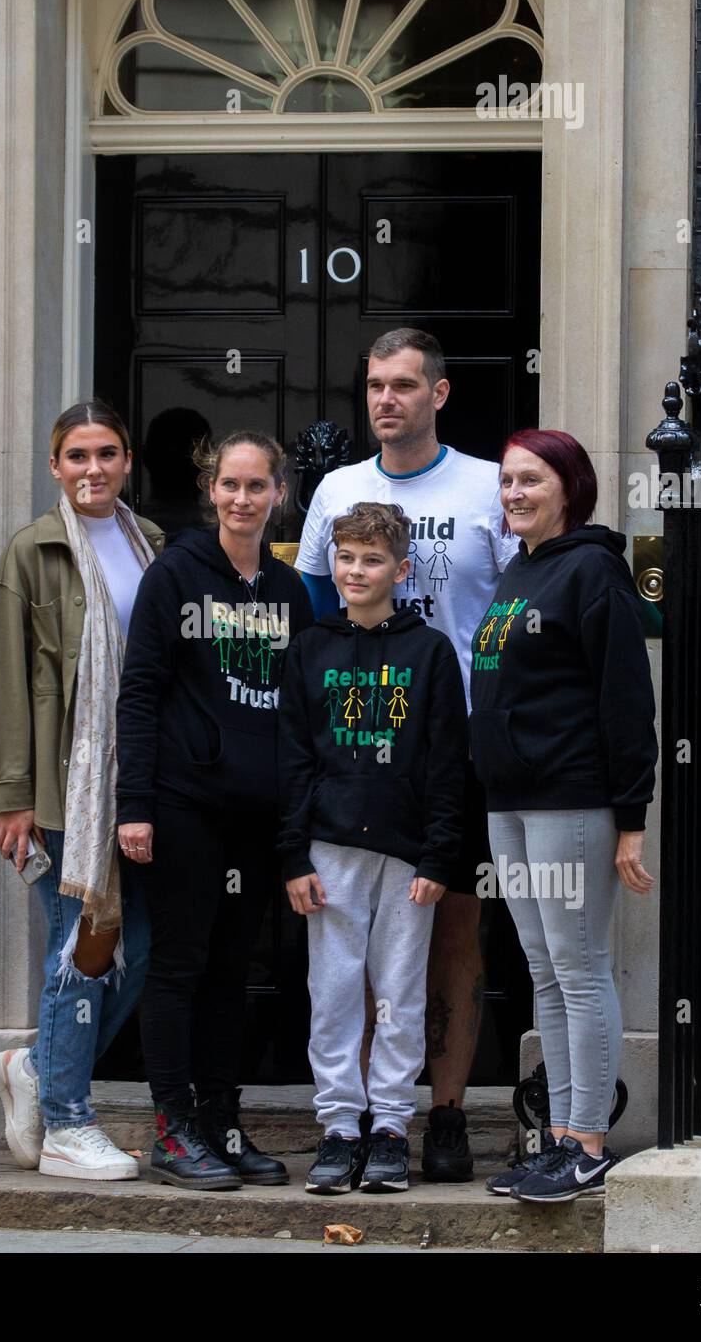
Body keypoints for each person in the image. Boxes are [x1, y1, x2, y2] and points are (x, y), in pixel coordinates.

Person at [295, 327, 517, 1180]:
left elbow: (512, 607)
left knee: (451, 933)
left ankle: (445, 1112)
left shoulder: (485, 486)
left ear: (439, 393)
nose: (386, 399)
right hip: (355, 749)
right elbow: (319, 613)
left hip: (453, 747)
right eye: (375, 384)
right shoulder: (337, 492)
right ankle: (348, 1123)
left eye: (403, 385)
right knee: (345, 954)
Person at [116, 430, 315, 1189]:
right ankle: (172, 1129)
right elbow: (139, 692)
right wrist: (135, 804)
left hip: (256, 814)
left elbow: (297, 718)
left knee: (234, 971)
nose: (241, 499)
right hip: (183, 806)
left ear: (278, 495)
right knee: (178, 966)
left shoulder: (291, 593)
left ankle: (221, 1122)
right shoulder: (173, 577)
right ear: (209, 490)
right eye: (228, 485)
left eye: (256, 486)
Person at [471, 429, 657, 1202]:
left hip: (571, 799)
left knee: (578, 969)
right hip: (509, 803)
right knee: (544, 968)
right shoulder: (519, 570)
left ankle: (587, 1142)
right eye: (508, 480)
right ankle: (555, 1138)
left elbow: (625, 698)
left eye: (531, 479)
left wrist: (631, 815)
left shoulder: (594, 571)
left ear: (570, 485)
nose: (514, 492)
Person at [0, 401, 163, 1180]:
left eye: (108, 453)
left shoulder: (147, 541)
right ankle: (65, 1119)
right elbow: (6, 682)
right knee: (84, 944)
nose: (94, 469)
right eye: (78, 455)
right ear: (55, 465)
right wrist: (14, 793)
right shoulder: (31, 551)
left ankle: (35, 1063)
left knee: (136, 948)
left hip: (136, 783)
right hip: (66, 791)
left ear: (127, 460)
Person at [278, 503, 466, 1194]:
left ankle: (389, 1125)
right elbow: (293, 758)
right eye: (347, 557)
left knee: (398, 990)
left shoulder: (430, 652)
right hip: (328, 849)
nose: (357, 570)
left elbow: (447, 762)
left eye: (373, 559)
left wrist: (441, 853)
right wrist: (292, 855)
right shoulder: (311, 648)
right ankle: (338, 1126)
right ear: (332, 561)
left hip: (408, 852)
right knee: (332, 991)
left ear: (401, 568)